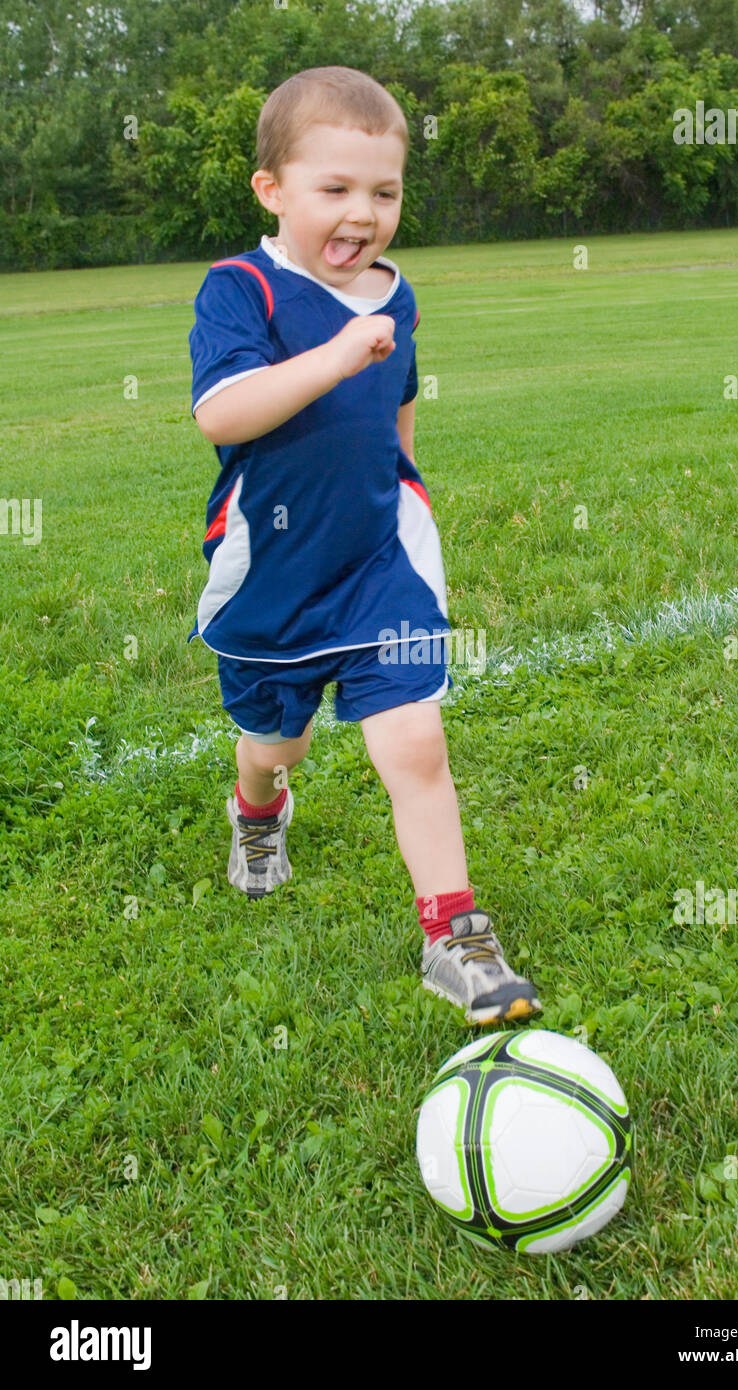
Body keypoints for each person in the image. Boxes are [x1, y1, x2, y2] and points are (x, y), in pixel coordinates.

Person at [188, 65, 540, 1026]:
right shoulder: (241, 289)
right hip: (273, 577)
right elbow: (222, 414)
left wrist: (407, 488)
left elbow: (401, 399)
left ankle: (455, 937)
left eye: (383, 191)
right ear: (272, 190)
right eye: (334, 189)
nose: (363, 212)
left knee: (416, 742)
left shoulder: (398, 296)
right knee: (278, 741)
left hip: (381, 566)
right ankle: (257, 811)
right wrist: (336, 353)